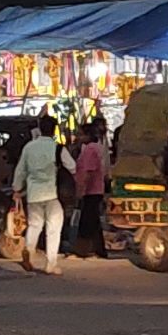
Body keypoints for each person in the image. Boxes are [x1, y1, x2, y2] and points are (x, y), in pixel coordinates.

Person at [13, 115, 77, 275]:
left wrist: (17, 189)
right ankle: (51, 264)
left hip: (34, 194)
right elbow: (73, 167)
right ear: (54, 129)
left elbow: (21, 170)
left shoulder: (29, 147)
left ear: (39, 128)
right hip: (53, 194)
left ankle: (29, 250)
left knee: (34, 225)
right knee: (53, 229)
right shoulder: (57, 148)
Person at [72, 122, 111, 259]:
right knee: (93, 221)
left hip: (91, 190)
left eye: (80, 134)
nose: (78, 137)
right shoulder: (97, 148)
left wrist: (80, 190)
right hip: (96, 189)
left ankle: (83, 250)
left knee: (86, 221)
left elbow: (87, 172)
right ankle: (99, 250)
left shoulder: (90, 150)